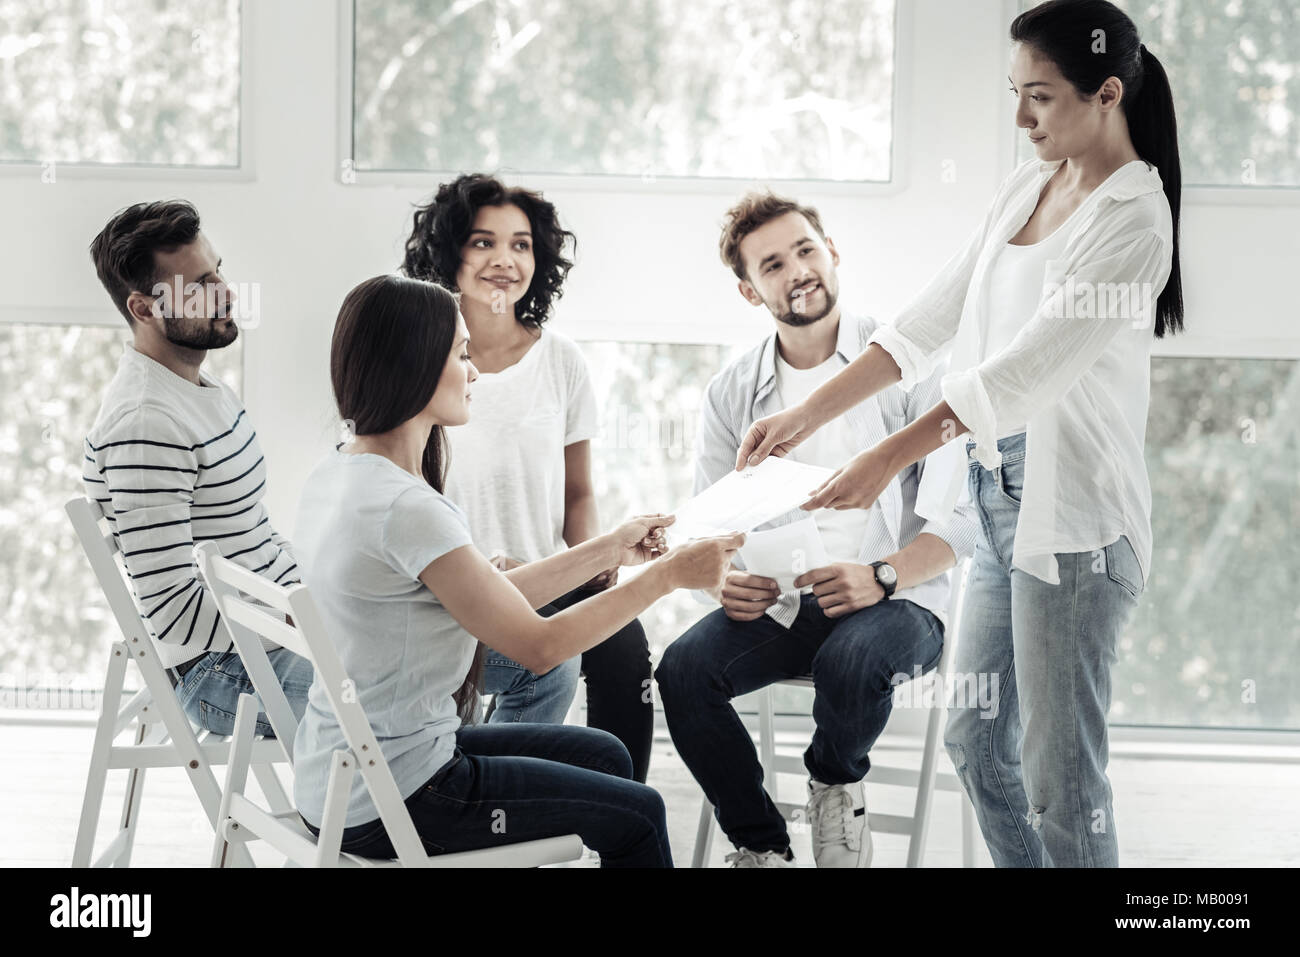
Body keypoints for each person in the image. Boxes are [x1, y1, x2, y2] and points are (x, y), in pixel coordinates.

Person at [736, 0, 1182, 868]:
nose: (1020, 118)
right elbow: (923, 324)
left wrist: (881, 459)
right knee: (979, 746)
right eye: (1014, 93)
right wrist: (804, 413)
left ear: (1108, 94)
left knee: (1065, 786)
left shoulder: (1134, 220)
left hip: (1075, 530)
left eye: (1041, 98)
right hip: (997, 502)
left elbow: (1018, 377)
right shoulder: (1030, 185)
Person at [291, 274, 741, 866]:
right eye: (459, 353)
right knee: (641, 813)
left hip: (339, 780)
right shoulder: (408, 507)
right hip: (396, 798)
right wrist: (667, 577)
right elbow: (540, 646)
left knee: (606, 755)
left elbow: (492, 597)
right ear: (414, 365)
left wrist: (610, 548)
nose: (474, 371)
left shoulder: (343, 473)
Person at [654, 193, 978, 868]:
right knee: (681, 669)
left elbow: (961, 525)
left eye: (805, 249)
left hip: (899, 602)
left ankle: (836, 787)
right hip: (784, 607)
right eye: (772, 263)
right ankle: (761, 843)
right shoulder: (732, 392)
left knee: (850, 658)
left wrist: (880, 576)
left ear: (833, 252)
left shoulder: (909, 366)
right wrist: (724, 583)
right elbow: (707, 528)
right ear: (749, 290)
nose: (797, 269)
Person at [401, 174, 656, 782]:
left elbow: (578, 491)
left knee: (627, 647)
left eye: (521, 245)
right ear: (449, 252)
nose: (504, 260)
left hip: (546, 575)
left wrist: (595, 559)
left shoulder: (562, 360)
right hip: (453, 585)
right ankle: (487, 795)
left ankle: (618, 809)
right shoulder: (413, 361)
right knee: (537, 669)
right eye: (483, 242)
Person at [83, 200, 312, 737]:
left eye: (219, 271)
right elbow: (172, 609)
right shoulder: (146, 421)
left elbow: (250, 536)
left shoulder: (197, 386)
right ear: (143, 309)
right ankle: (413, 815)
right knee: (412, 692)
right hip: (221, 670)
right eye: (200, 285)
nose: (228, 293)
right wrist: (296, 623)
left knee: (508, 662)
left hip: (278, 629)